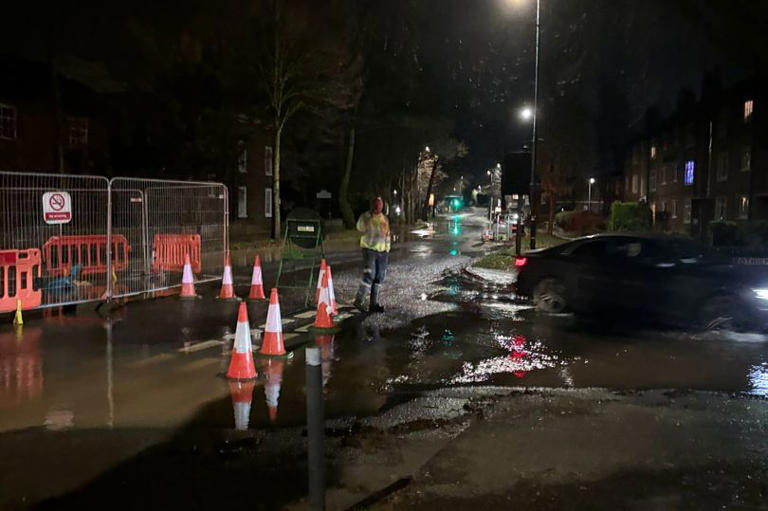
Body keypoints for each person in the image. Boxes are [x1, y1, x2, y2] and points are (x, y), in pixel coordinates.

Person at [353, 195, 391, 313]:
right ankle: (359, 301)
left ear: (382, 206)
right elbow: (359, 227)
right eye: (376, 203)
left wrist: (387, 248)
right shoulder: (366, 217)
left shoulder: (384, 219)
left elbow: (387, 234)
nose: (378, 206)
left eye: (380, 203)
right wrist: (369, 217)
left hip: (382, 251)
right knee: (370, 274)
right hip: (369, 250)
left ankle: (374, 304)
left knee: (379, 277)